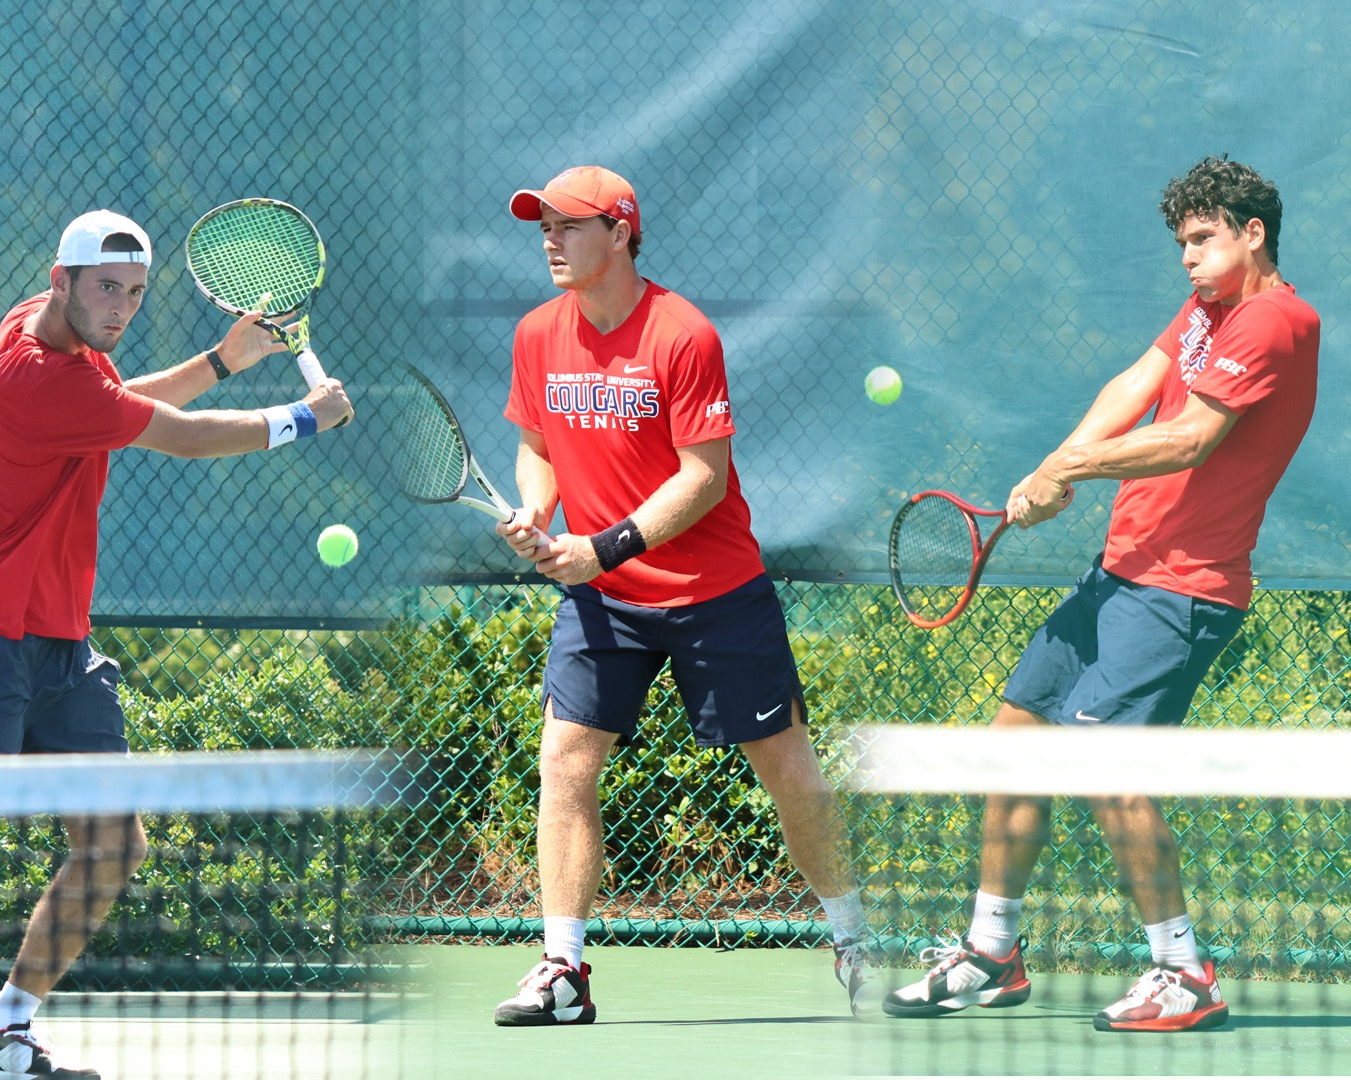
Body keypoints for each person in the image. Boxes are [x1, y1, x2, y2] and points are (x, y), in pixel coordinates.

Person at [0, 209, 352, 1080]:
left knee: (114, 844)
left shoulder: (37, 324)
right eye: (105, 290)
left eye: (133, 292)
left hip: (62, 645)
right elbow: (179, 437)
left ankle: (5, 1035)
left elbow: (125, 400)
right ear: (62, 280)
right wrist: (300, 419)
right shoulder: (36, 379)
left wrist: (223, 360)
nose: (120, 309)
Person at [882, 156, 1317, 1032]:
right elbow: (1139, 382)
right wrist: (1054, 462)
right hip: (1118, 573)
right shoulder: (1210, 309)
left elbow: (1192, 437)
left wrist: (1074, 466)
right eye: (1181, 243)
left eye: (1203, 240)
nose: (1188, 258)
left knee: (1108, 770)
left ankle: (1183, 972)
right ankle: (992, 953)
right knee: (1015, 742)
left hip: (1182, 592)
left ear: (1252, 232)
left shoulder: (1274, 321)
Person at [489, 166, 869, 1027]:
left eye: (568, 225)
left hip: (715, 593)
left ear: (620, 231)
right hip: (600, 600)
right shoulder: (537, 333)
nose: (549, 239)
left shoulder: (682, 332)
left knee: (787, 772)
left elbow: (705, 477)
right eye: (541, 226)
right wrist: (537, 511)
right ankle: (564, 972)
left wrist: (605, 545)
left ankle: (853, 937)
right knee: (564, 762)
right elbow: (538, 447)